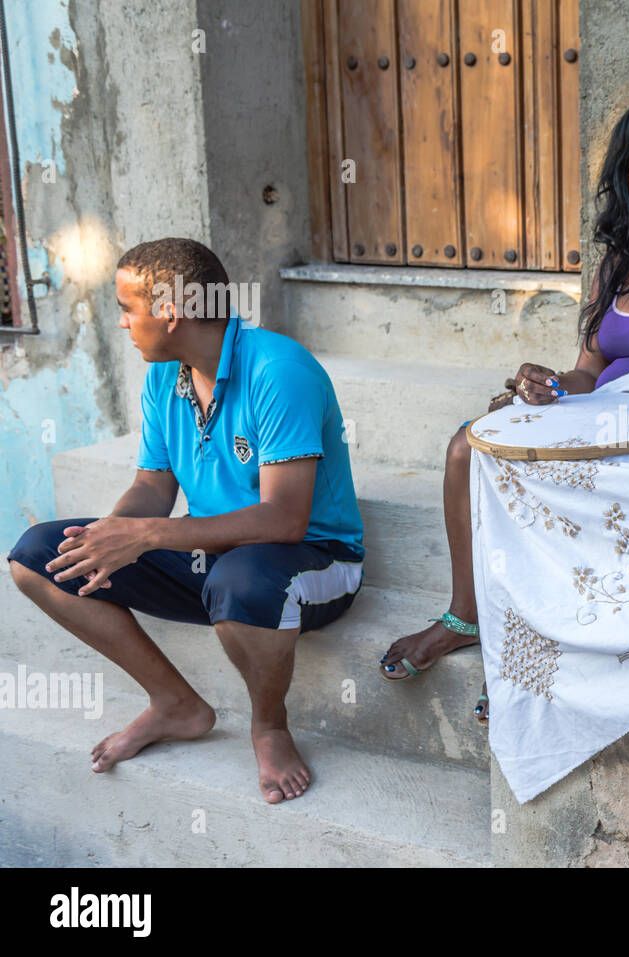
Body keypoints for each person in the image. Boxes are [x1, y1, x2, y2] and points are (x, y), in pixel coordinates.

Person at [379, 90, 629, 725]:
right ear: (625, 173)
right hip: (613, 424)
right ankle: (468, 615)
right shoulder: (619, 263)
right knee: (471, 443)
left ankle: (548, 648)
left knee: (568, 475)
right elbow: (591, 371)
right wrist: (550, 387)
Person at [6, 238, 364, 804]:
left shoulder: (277, 370)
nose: (122, 323)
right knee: (39, 557)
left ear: (171, 312)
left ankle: (269, 725)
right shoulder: (165, 376)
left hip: (313, 561)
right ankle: (175, 704)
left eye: (128, 308)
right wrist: (107, 536)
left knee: (241, 582)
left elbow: (285, 520)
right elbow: (153, 488)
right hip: (213, 551)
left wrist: (147, 536)